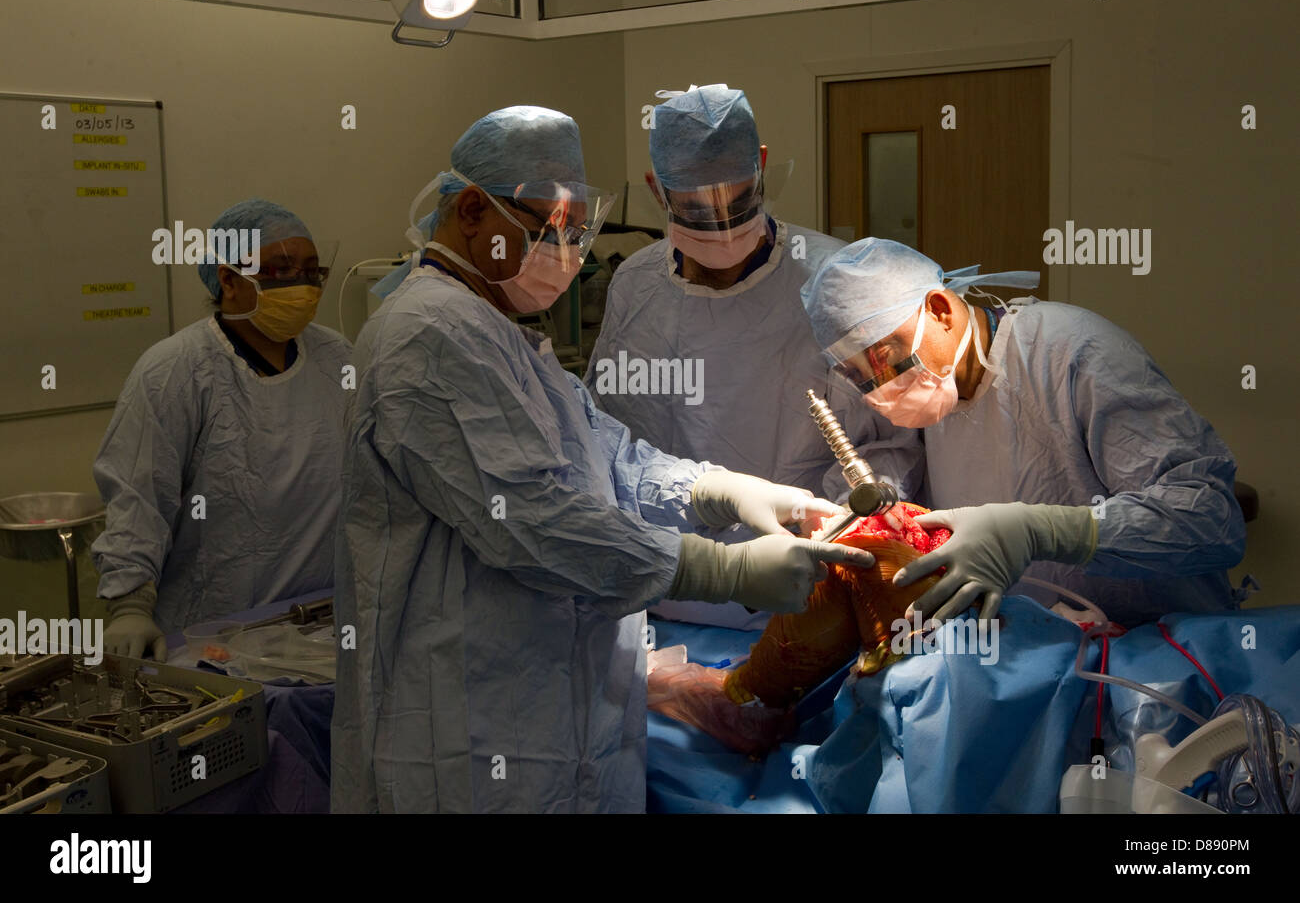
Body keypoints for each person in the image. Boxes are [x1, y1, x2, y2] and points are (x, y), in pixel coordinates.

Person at [330, 106, 875, 814]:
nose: (571, 252)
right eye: (551, 229)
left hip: (550, 715)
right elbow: (536, 523)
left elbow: (615, 459)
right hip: (467, 733)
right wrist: (724, 567)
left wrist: (728, 491)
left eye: (578, 230)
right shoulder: (428, 336)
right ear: (471, 210)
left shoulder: (503, 335)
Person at [585, 85, 923, 628]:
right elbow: (612, 438)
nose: (720, 226)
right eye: (694, 209)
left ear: (761, 166)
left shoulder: (832, 281)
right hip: (667, 587)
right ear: (657, 190)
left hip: (807, 585)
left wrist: (840, 528)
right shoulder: (635, 285)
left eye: (737, 202)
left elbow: (889, 447)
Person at [800, 238, 1248, 628]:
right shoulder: (937, 397)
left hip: (1158, 652)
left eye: (884, 356)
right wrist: (843, 520)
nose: (878, 387)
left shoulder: (1074, 353)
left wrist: (1041, 532)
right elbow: (895, 477)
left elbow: (1209, 520)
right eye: (855, 374)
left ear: (939, 311)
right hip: (1040, 657)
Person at [92, 199, 351, 658]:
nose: (303, 287)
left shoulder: (338, 360)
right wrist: (130, 604)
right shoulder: (174, 371)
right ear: (229, 279)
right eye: (279, 271)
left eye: (313, 272)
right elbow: (140, 496)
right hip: (210, 634)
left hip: (321, 623)